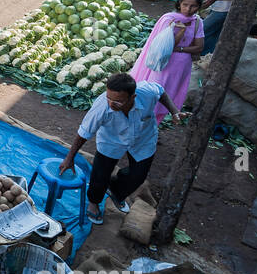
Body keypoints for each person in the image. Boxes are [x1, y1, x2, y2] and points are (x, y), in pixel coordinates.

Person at [59, 72, 183, 223]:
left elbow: (160, 91)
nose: (111, 104)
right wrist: (69, 158)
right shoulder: (101, 107)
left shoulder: (147, 92)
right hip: (111, 140)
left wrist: (174, 111)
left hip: (143, 138)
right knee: (100, 174)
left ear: (133, 97)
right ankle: (93, 202)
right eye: (109, 98)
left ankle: (115, 190)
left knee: (138, 175)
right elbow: (83, 133)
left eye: (118, 101)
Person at [129, 0, 204, 119]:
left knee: (168, 95)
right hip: (163, 63)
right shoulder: (169, 19)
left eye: (193, 6)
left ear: (199, 7)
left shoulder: (198, 22)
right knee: (154, 92)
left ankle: (154, 126)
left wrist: (179, 49)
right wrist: (182, 31)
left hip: (180, 67)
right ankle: (141, 121)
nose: (188, 9)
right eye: (185, 5)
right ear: (179, 4)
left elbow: (199, 47)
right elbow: (165, 46)